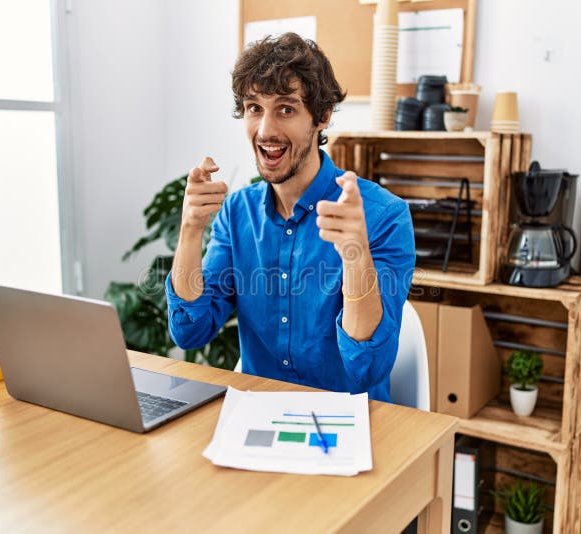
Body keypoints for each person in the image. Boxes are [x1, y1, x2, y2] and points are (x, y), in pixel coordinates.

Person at [165, 33, 414, 402]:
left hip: (349, 424)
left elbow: (367, 369)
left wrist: (355, 254)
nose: (265, 130)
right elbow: (189, 332)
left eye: (286, 109)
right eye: (254, 107)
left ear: (323, 116)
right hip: (258, 419)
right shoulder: (237, 214)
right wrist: (189, 231)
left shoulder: (383, 217)